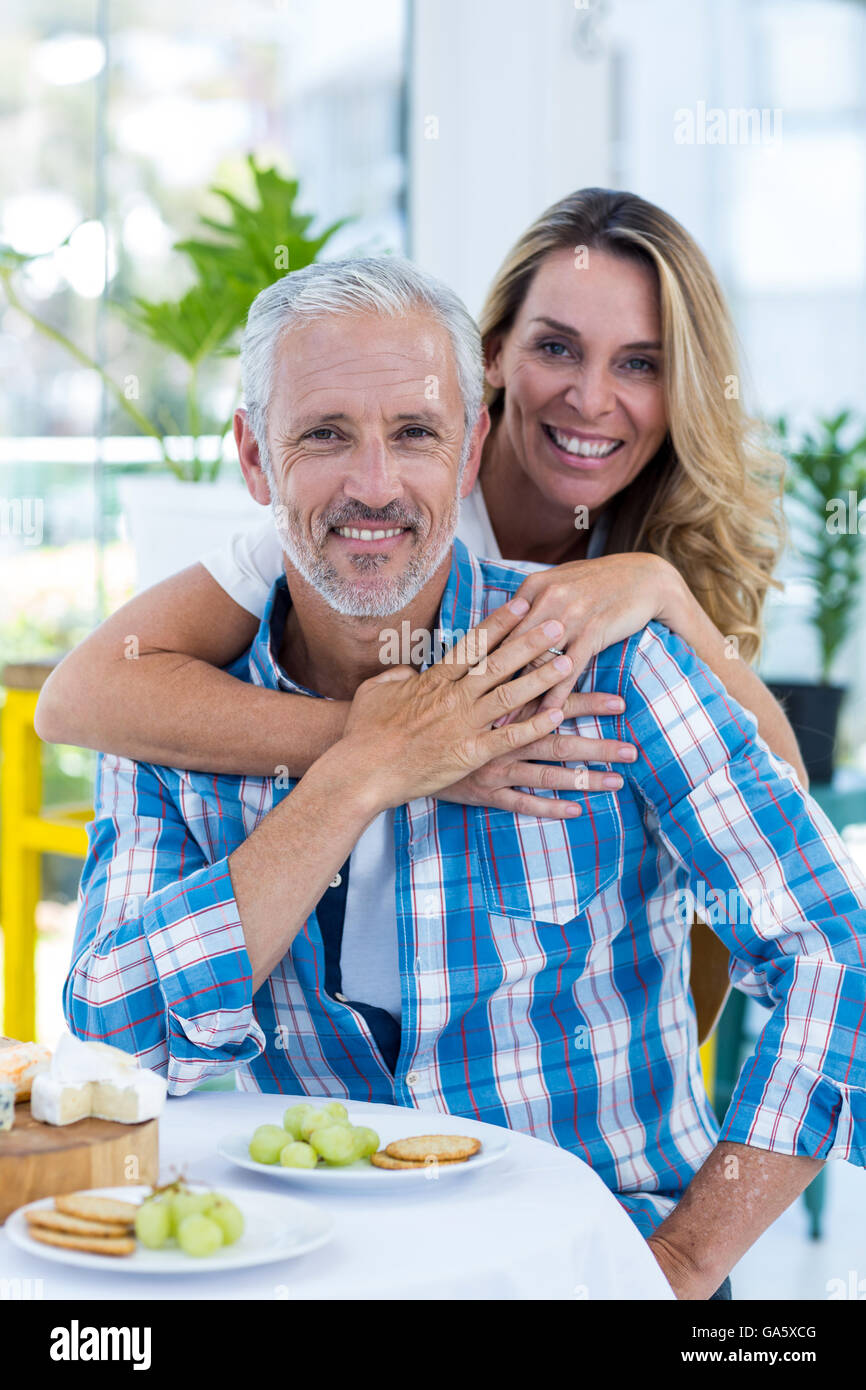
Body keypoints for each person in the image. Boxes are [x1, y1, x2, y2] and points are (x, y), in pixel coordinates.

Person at [66, 257, 866, 1302]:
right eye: (322, 434)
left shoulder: (606, 657)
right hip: (321, 1279)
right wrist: (362, 769)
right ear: (254, 458)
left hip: (598, 1270)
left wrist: (679, 1261)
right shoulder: (182, 710)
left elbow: (831, 953)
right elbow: (118, 1034)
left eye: (413, 433)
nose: (372, 483)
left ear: (471, 447)